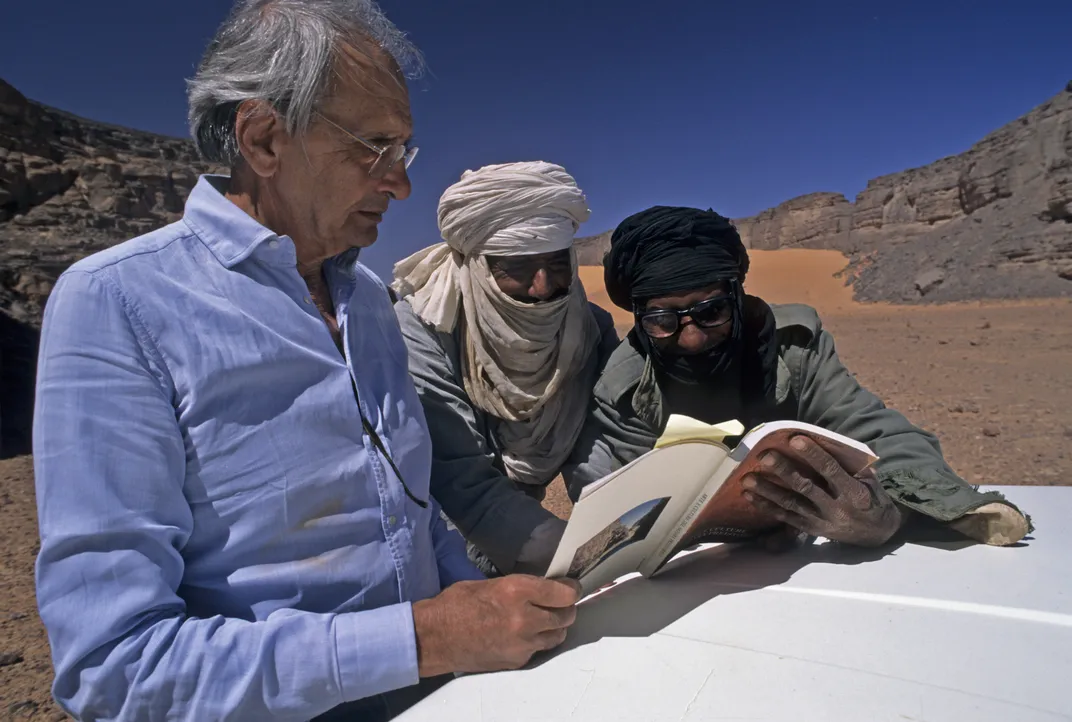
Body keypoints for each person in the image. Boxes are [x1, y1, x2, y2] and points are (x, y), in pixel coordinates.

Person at [31, 3, 580, 721]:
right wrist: (424, 639)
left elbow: (408, 519)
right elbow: (115, 668)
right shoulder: (118, 303)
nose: (400, 183)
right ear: (263, 139)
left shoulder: (371, 305)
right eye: (374, 148)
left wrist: (468, 604)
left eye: (403, 151)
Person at [568, 205, 1030, 548]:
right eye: (663, 321)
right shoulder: (626, 387)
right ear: (638, 318)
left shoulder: (793, 349)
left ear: (736, 295)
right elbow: (632, 498)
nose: (690, 339)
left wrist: (886, 515)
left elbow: (879, 431)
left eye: (710, 312)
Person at [392, 161, 619, 576]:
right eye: (516, 267)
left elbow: (599, 440)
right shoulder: (427, 327)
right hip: (441, 542)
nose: (543, 287)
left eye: (557, 264)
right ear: (477, 265)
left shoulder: (589, 328)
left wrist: (617, 528)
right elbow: (455, 470)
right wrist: (566, 549)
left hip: (538, 540)